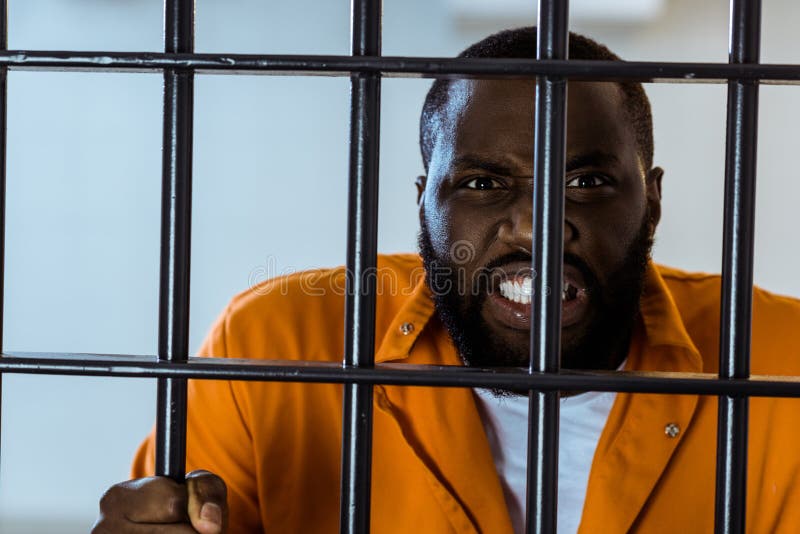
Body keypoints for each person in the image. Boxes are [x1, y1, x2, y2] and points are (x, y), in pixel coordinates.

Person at [92, 27, 800, 534]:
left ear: (651, 198)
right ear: (423, 203)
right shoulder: (272, 344)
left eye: (585, 181)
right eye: (484, 182)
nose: (535, 226)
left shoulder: (782, 360)